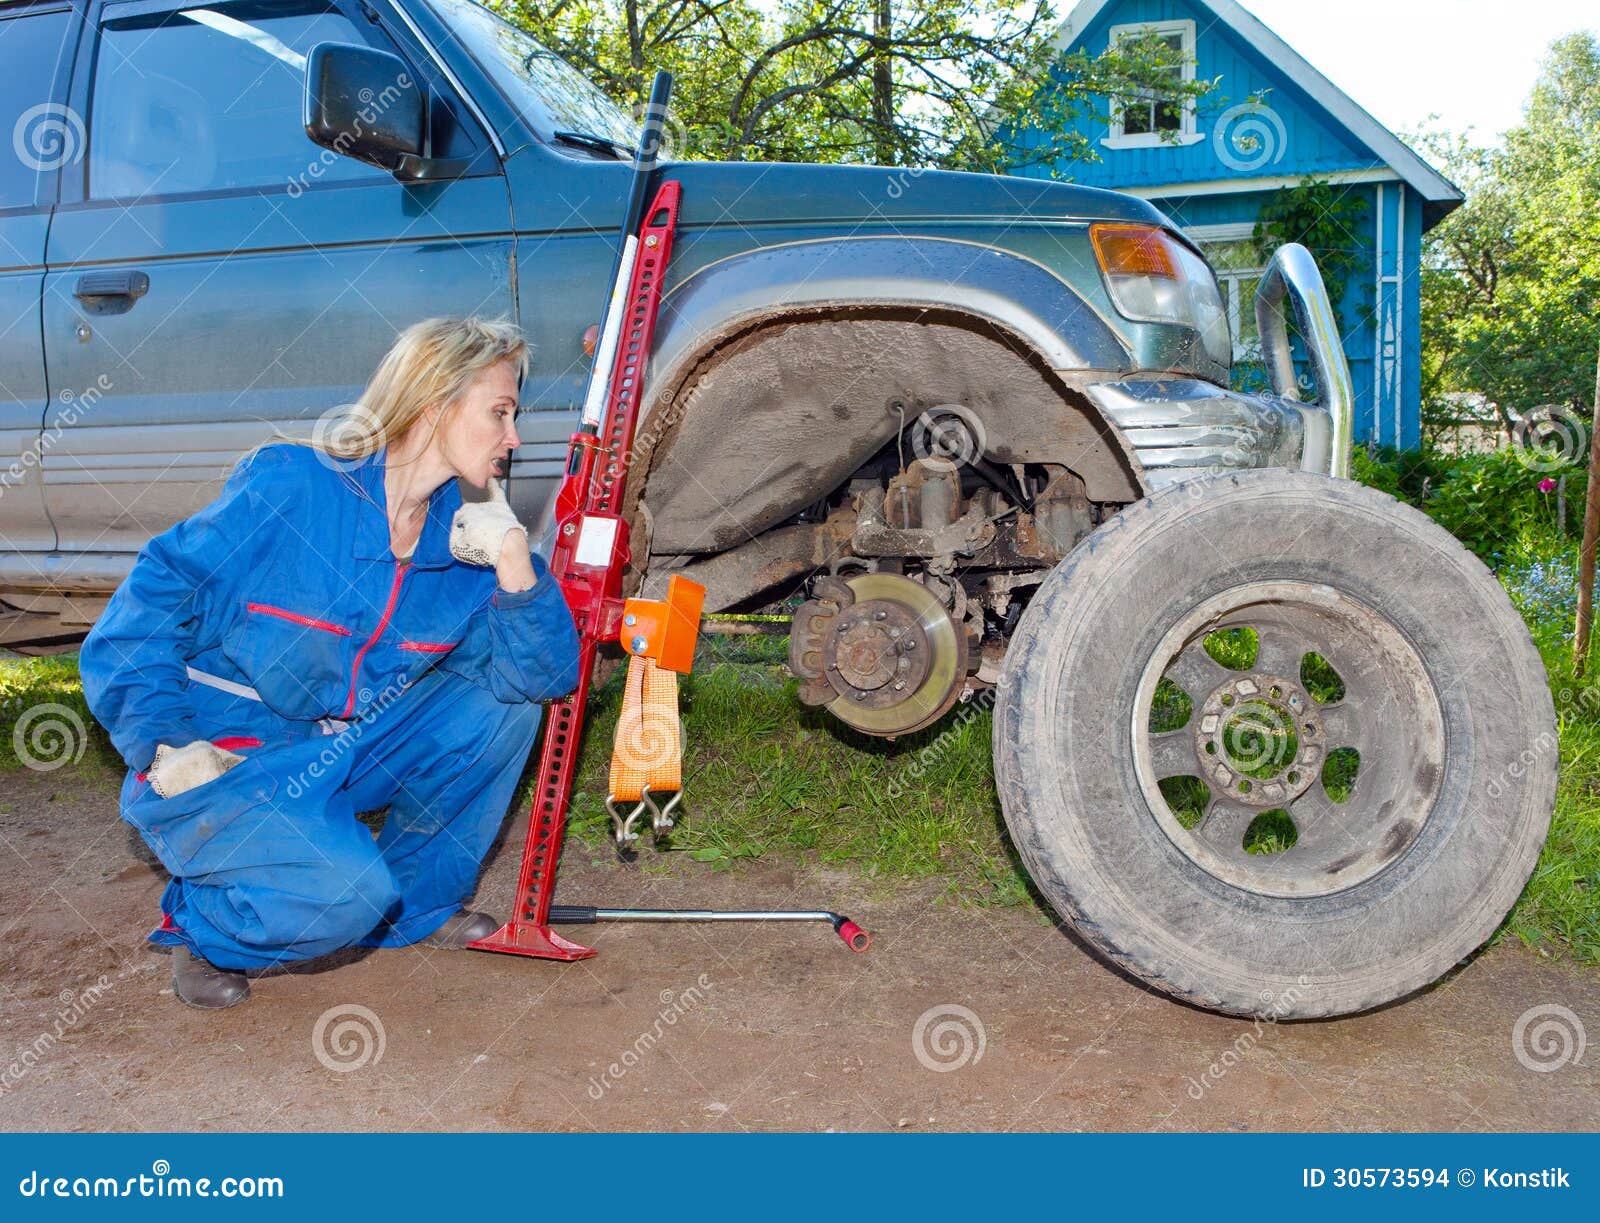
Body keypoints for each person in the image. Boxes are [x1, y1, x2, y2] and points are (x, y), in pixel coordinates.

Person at [79, 317, 580, 1009]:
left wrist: (517, 563)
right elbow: (142, 613)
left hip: (346, 746)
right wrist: (164, 740)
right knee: (342, 898)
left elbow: (543, 679)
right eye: (499, 412)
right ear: (434, 403)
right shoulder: (295, 488)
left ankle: (414, 907)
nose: (514, 438)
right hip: (232, 756)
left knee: (503, 702)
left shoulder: (460, 543)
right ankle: (201, 926)